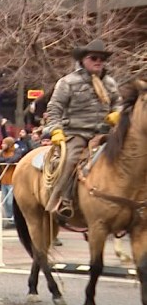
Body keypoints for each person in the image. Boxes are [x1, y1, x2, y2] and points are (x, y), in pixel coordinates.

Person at [44, 39, 122, 219]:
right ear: (82, 60)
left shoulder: (110, 83)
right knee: (70, 160)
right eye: (94, 57)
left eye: (102, 58)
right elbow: (54, 107)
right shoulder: (68, 82)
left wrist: (117, 113)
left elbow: (118, 103)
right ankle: (61, 200)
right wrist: (56, 130)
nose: (98, 61)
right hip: (76, 132)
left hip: (104, 133)